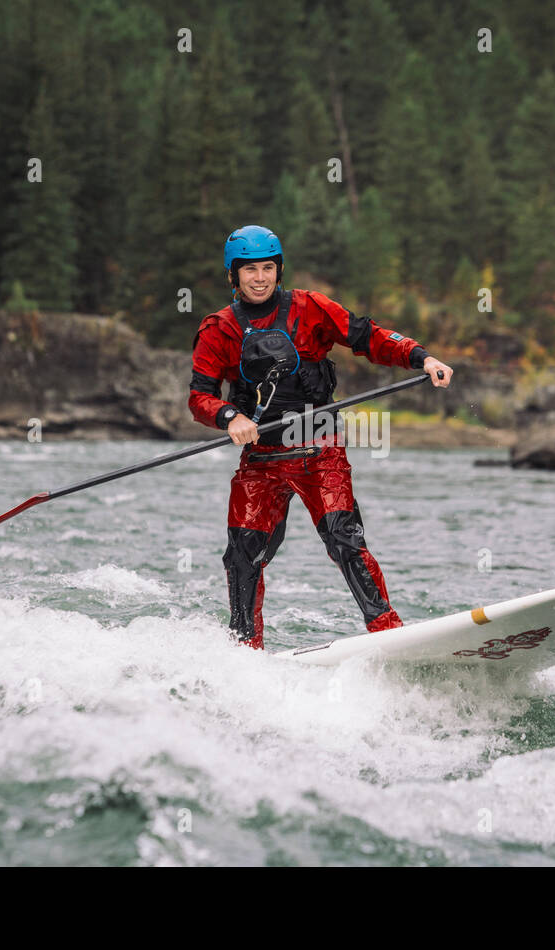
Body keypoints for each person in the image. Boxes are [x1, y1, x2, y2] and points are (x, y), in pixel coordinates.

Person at [189, 224, 453, 649]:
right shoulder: (218, 329)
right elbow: (199, 396)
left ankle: (388, 631)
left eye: (268, 268)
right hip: (260, 459)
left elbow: (369, 337)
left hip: (318, 449)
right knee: (242, 555)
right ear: (233, 276)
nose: (260, 278)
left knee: (344, 538)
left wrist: (421, 357)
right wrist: (227, 415)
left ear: (279, 270)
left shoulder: (310, 308)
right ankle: (244, 651)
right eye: (250, 270)